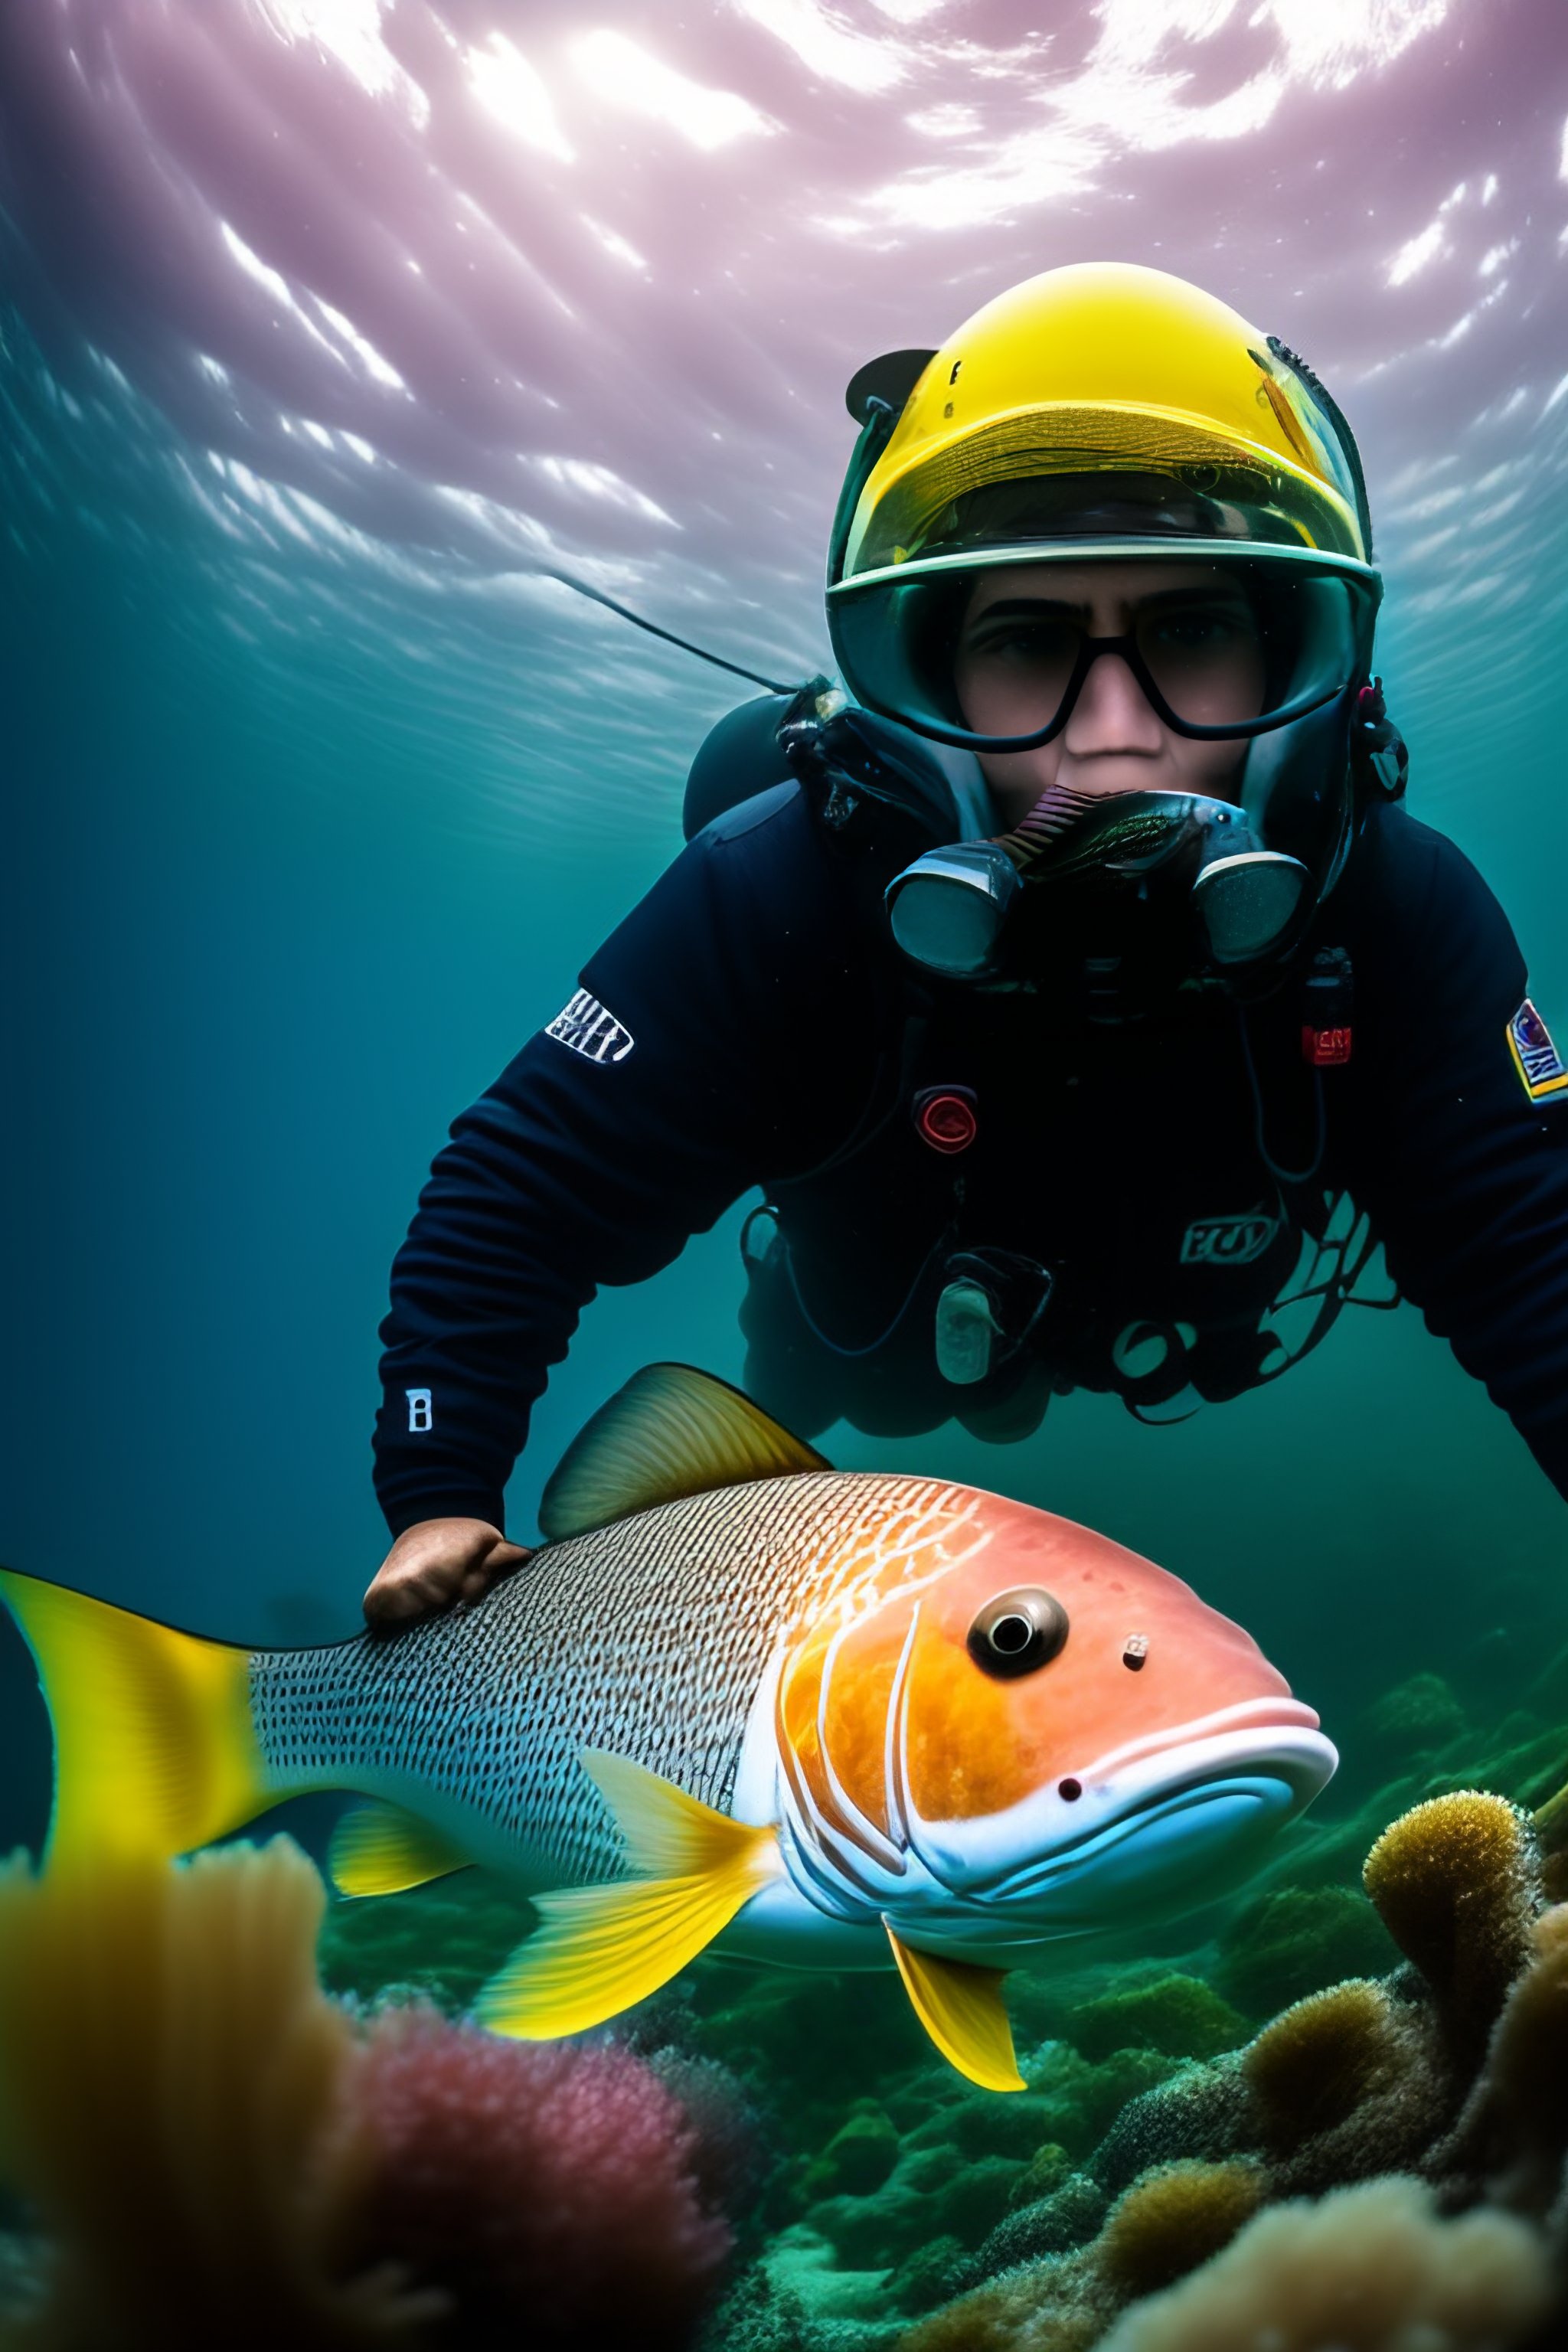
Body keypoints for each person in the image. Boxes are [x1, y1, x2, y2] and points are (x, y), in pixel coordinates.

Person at [364, 261, 1568, 1628]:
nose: (1115, 732)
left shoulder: (1394, 910)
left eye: (1193, 629)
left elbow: (1532, 1247)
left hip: (1174, 1318)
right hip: (872, 1329)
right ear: (926, 672)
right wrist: (440, 1487)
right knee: (848, 1392)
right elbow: (523, 1187)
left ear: (1296, 647)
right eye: (1026, 641)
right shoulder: (778, 889)